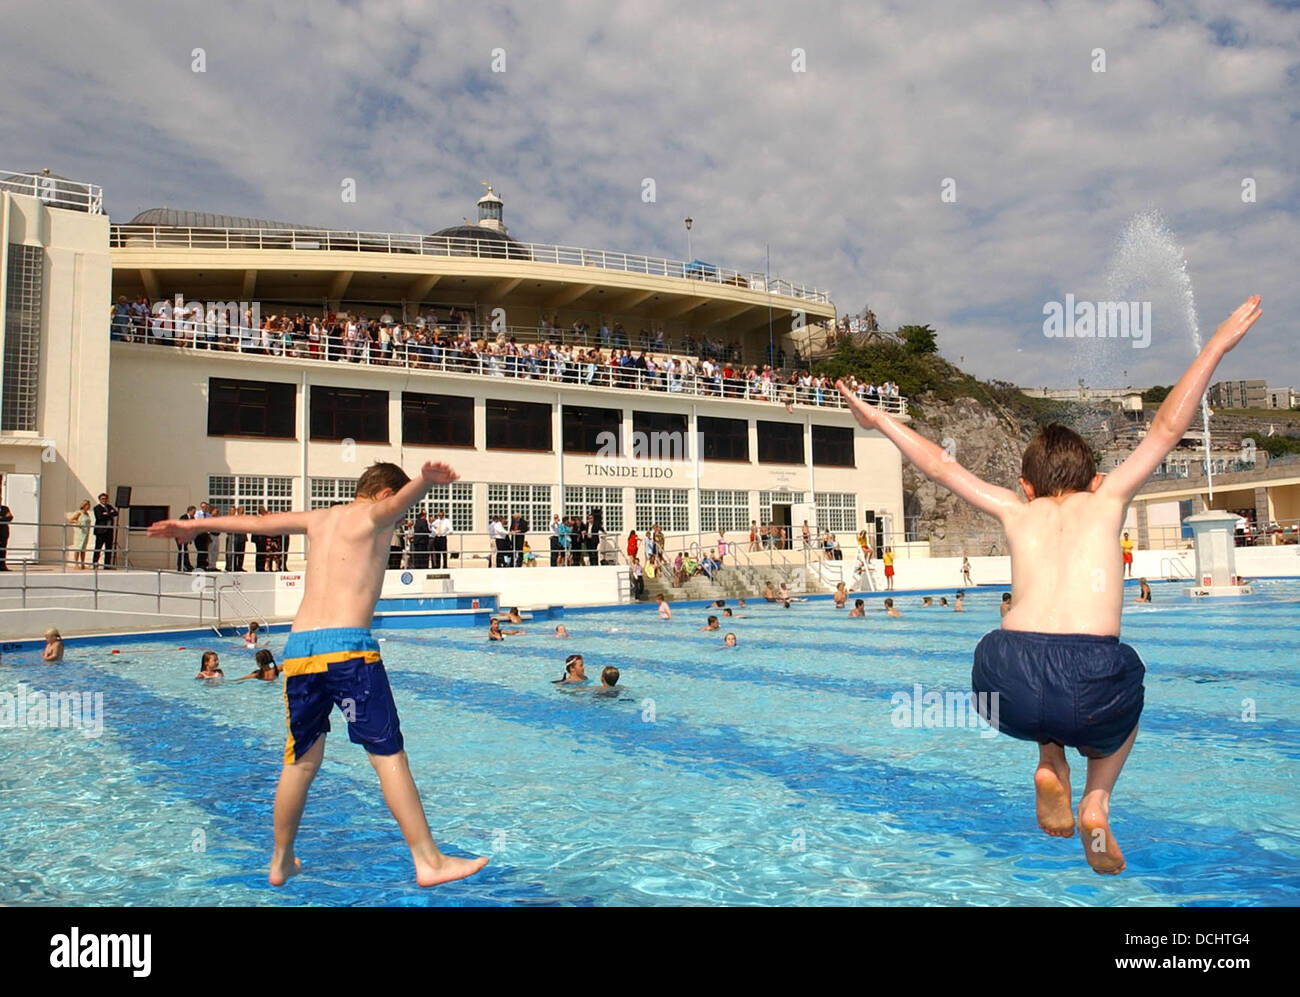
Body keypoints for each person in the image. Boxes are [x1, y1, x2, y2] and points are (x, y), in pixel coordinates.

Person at [832, 294, 1262, 876]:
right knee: (1127, 690)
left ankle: (1049, 761)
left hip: (1006, 677)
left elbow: (940, 466)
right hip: (1091, 676)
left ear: (1026, 487)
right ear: (1097, 478)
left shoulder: (1014, 510)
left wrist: (878, 418)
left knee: (1036, 685)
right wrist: (1214, 345)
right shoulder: (1108, 499)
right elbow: (1166, 427)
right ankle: (1096, 798)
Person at [149, 459, 488, 887]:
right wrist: (425, 481)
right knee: (387, 756)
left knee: (299, 763)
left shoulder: (319, 519)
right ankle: (429, 861)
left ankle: (280, 860)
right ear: (384, 494)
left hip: (300, 651)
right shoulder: (374, 514)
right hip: (349, 650)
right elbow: (400, 501)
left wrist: (196, 526)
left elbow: (259, 522)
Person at [92, 493, 118, 569]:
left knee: (109, 548)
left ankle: (107, 565)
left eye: (105, 498)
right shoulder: (97, 508)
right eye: (102, 499)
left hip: (109, 531)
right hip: (100, 531)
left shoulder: (109, 506)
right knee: (98, 548)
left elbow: (116, 513)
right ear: (100, 499)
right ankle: (95, 563)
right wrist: (110, 513)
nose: (104, 500)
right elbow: (99, 517)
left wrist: (106, 513)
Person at [69, 500, 93, 569]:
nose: (88, 507)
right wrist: (77, 522)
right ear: (84, 505)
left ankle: (83, 563)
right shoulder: (79, 513)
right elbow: (71, 520)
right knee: (77, 548)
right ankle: (76, 564)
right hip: (79, 533)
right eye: (87, 505)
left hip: (85, 533)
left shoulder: (87, 514)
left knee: (83, 548)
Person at [225, 507, 247, 571]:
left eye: (243, 510)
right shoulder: (231, 518)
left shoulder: (244, 518)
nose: (242, 511)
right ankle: (231, 566)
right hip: (234, 536)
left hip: (242, 537)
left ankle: (239, 566)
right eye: (241, 510)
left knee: (241, 554)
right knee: (231, 553)